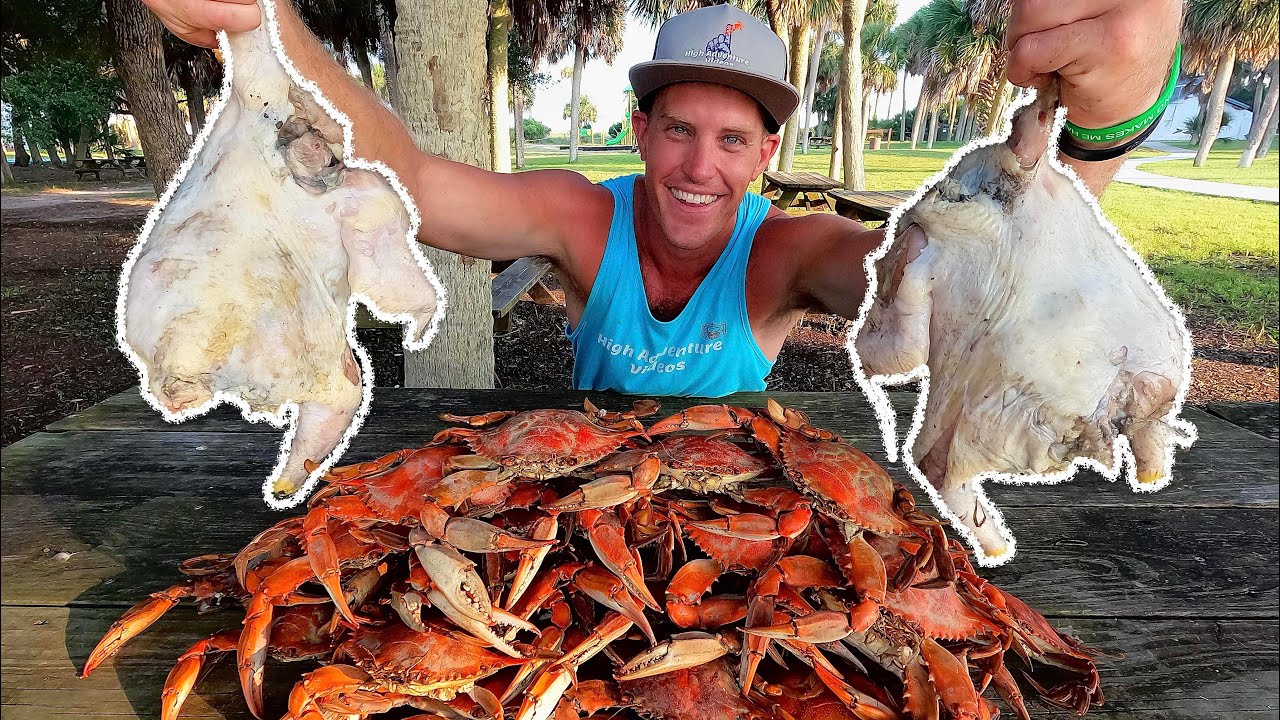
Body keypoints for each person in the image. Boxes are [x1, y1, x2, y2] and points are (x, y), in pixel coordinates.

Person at [143, 0, 1182, 396]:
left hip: (747, 530)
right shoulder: (575, 220)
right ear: (638, 130)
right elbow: (406, 184)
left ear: (766, 153)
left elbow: (954, 279)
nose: (697, 165)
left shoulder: (785, 254)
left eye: (732, 139)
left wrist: (1103, 130)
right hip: (571, 511)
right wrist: (266, 25)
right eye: (676, 128)